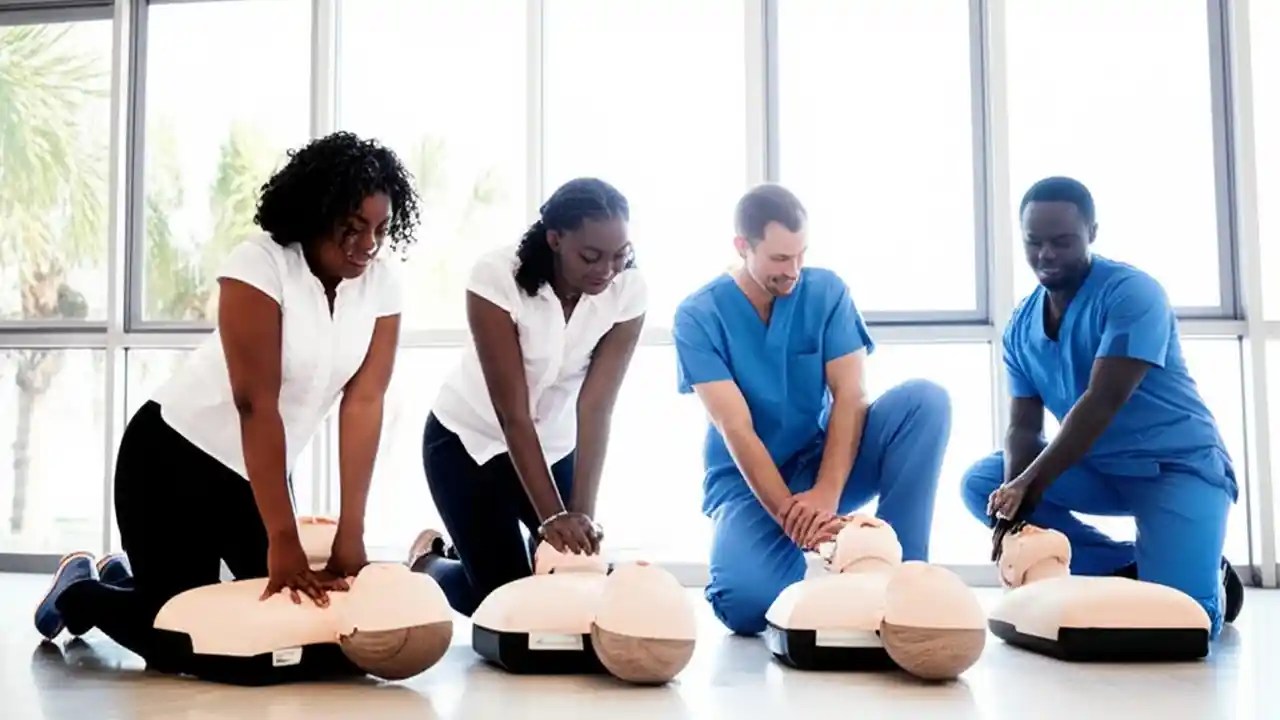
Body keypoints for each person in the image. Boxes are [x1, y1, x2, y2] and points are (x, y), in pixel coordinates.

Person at [32, 131, 419, 672]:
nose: (367, 246)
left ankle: (131, 579)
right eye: (350, 228)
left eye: (379, 229)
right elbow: (254, 403)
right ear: (314, 214)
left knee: (290, 630)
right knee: (187, 641)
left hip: (256, 469)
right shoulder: (260, 263)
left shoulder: (381, 286)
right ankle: (79, 592)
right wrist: (282, 537)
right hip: (171, 457)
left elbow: (364, 404)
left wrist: (352, 533)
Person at [962, 176, 1243, 638]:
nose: (1046, 255)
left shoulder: (1132, 294)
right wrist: (1016, 502)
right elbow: (1023, 428)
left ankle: (1209, 576)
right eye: (1034, 242)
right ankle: (1126, 568)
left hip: (1175, 468)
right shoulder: (1020, 326)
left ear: (1092, 232)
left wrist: (1030, 485)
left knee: (1183, 624)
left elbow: (1103, 399)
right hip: (1096, 469)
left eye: (1062, 241)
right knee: (983, 483)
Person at [672, 183, 952, 635]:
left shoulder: (827, 292)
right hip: (749, 484)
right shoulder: (699, 315)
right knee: (744, 606)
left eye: (801, 255)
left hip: (824, 462)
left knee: (926, 401)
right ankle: (824, 564)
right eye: (780, 259)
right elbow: (736, 427)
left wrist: (825, 493)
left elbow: (850, 396)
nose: (795, 270)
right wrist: (791, 514)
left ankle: (902, 577)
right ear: (743, 247)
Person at [408, 177, 646, 616]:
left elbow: (595, 407)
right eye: (591, 256)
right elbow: (511, 412)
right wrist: (554, 519)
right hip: (468, 443)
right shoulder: (497, 276)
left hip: (553, 447)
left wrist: (581, 524)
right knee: (506, 600)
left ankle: (491, 551)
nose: (607, 271)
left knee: (567, 581)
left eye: (619, 255)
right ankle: (428, 565)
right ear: (555, 238)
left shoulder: (628, 290)